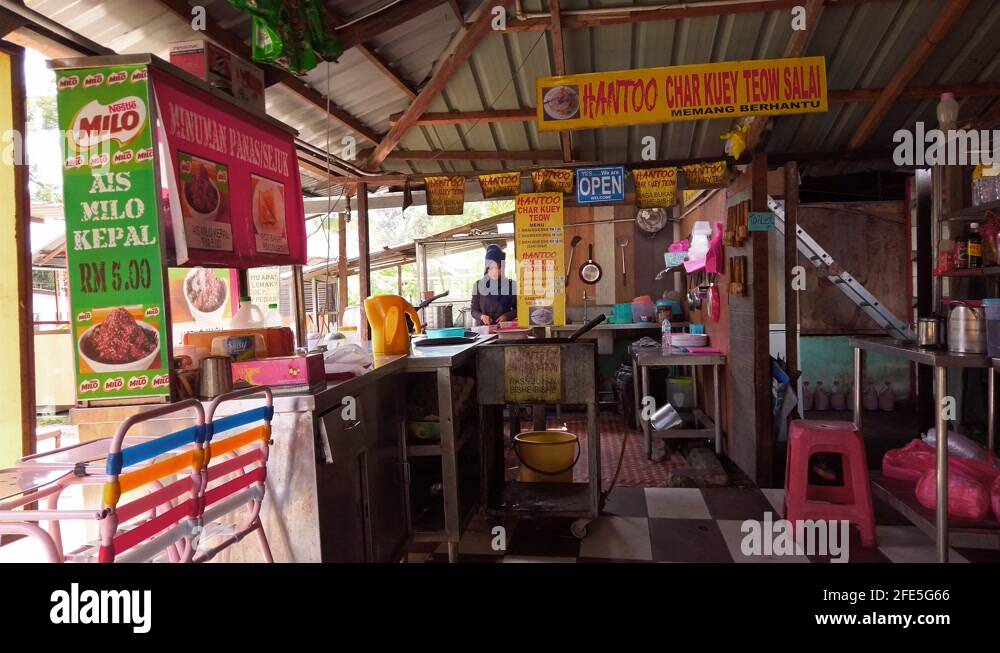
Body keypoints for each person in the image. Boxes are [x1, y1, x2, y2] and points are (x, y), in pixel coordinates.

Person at [470, 244, 516, 326]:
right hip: (484, 330)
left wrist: (507, 316)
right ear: (487, 269)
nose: (495, 271)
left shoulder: (511, 285)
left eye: (498, 268)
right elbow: (473, 310)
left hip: (505, 329)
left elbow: (518, 309)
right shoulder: (478, 285)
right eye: (491, 268)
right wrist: (482, 316)